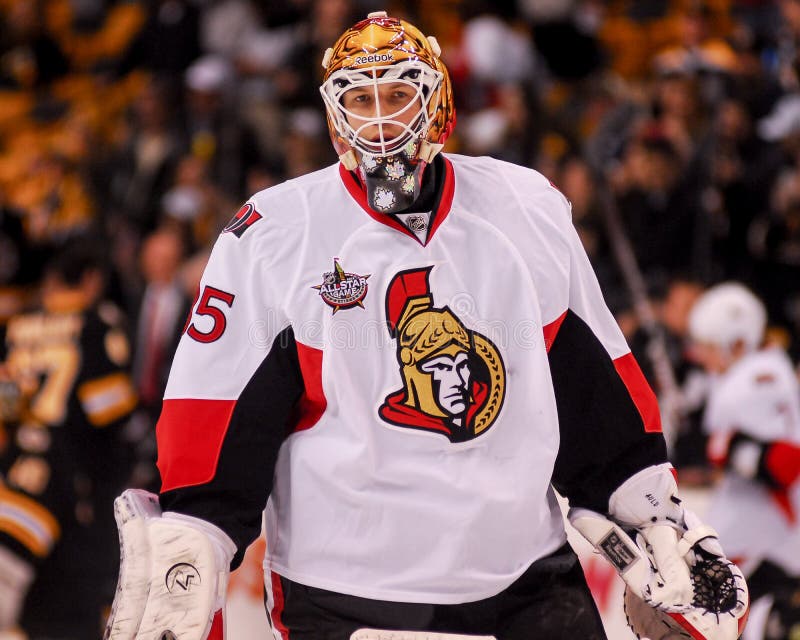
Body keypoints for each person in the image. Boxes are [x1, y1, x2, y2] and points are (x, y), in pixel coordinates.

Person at [105, 12, 747, 640]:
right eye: (361, 100)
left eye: (397, 95)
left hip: (525, 573)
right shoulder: (271, 235)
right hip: (346, 592)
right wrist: (194, 540)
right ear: (336, 114)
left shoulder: (526, 209)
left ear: (435, 102)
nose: (380, 120)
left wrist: (648, 508)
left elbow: (594, 390)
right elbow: (214, 417)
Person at [0, 241, 138, 638]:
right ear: (92, 279)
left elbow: (8, 405)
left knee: (28, 609)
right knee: (73, 611)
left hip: (19, 471)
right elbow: (109, 408)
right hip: (75, 481)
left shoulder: (20, 324)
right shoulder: (99, 322)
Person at [687, 282, 800, 640]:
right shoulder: (744, 373)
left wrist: (716, 446)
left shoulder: (758, 377)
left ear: (737, 343)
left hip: (774, 529)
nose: (701, 355)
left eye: (708, 346)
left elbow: (784, 464)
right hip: (760, 524)